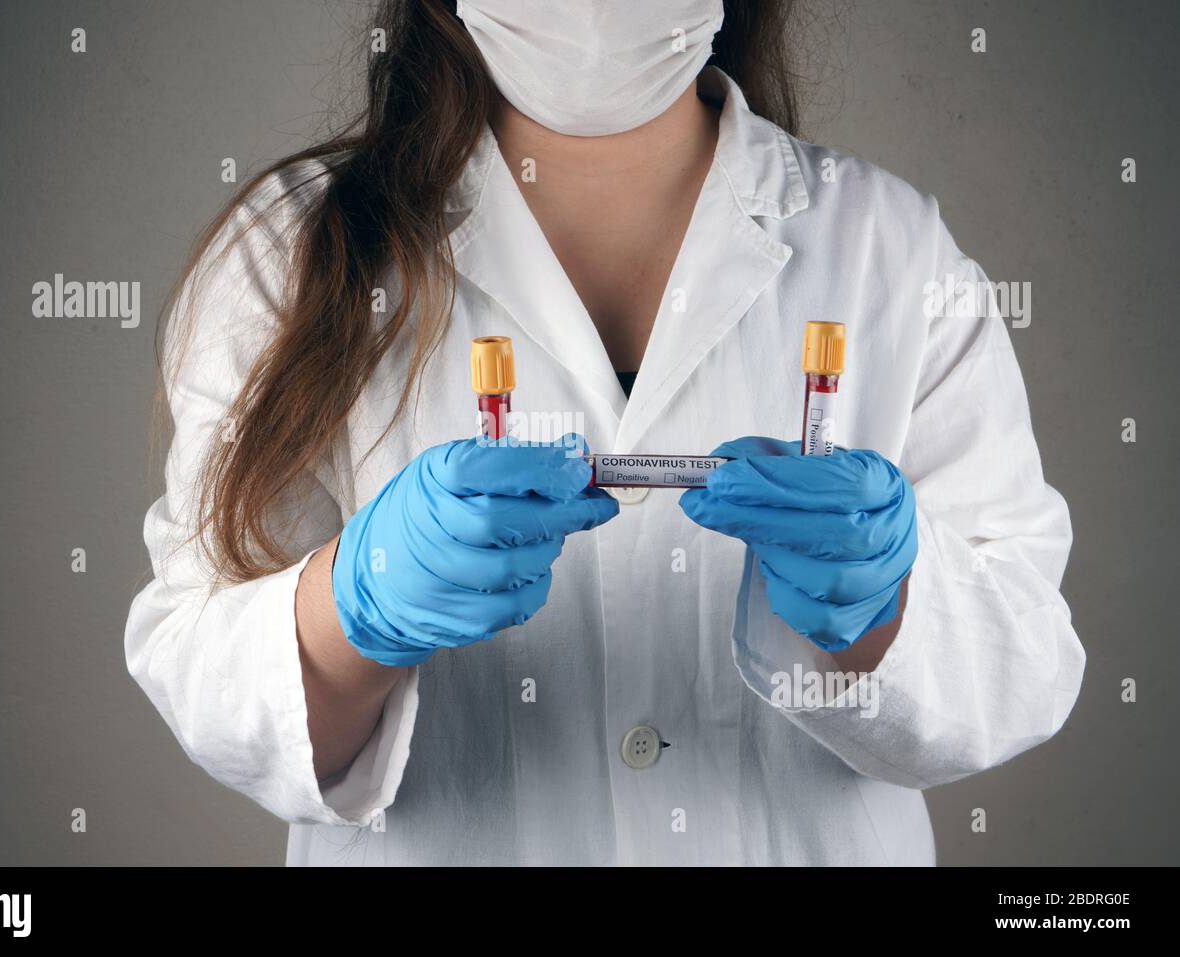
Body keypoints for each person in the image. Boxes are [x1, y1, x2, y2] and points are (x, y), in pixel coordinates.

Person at [124, 0, 1085, 865]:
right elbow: (201, 669)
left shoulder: (889, 244)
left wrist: (888, 600)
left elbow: (1027, 665)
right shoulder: (294, 249)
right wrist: (355, 606)